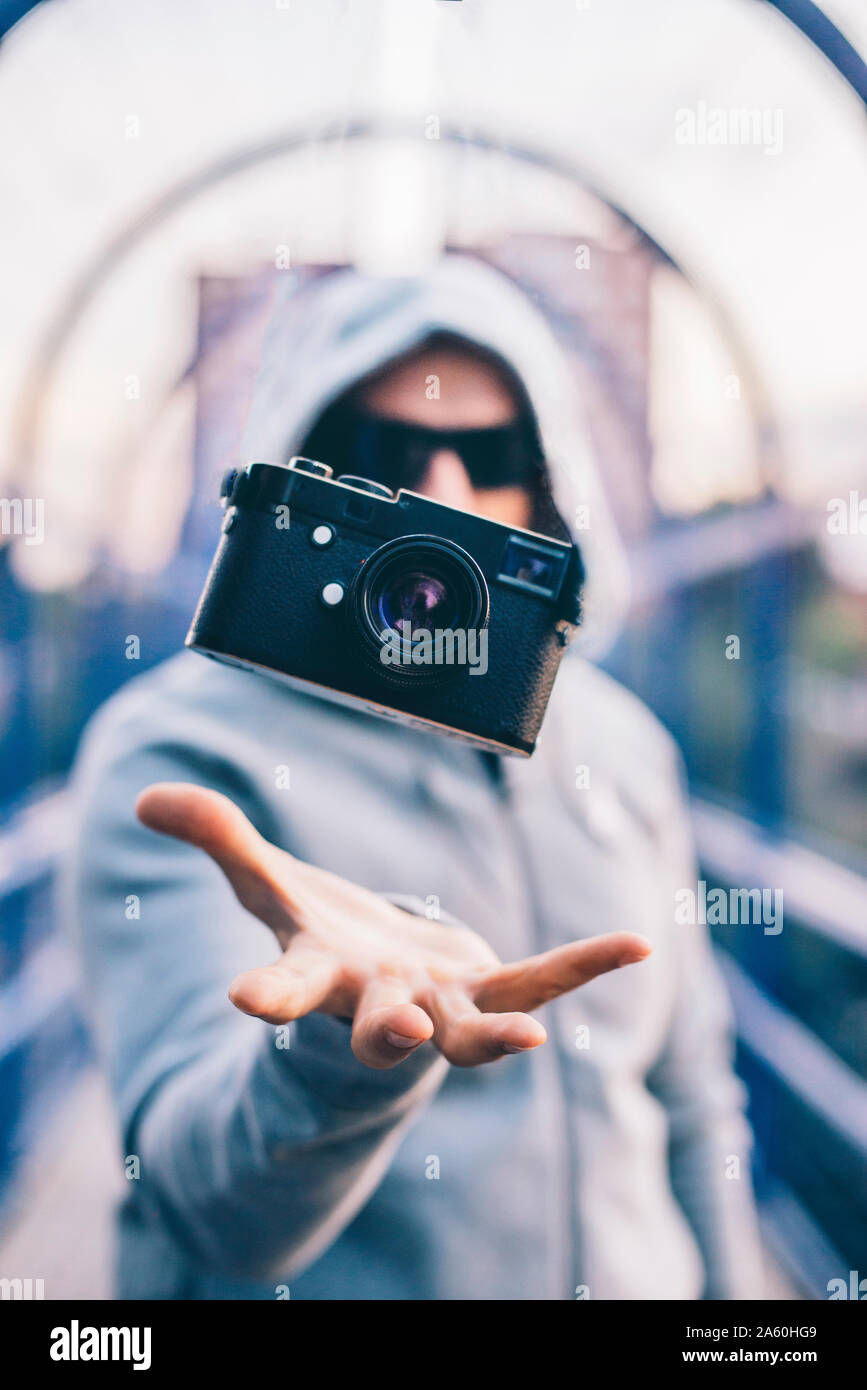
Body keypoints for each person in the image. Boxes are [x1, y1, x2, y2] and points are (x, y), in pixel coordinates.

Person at [64, 256, 765, 1300]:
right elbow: (201, 1199)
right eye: (381, 452)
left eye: (491, 453)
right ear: (297, 472)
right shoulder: (179, 754)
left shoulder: (619, 743)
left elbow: (692, 1093)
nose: (442, 495)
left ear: (551, 484)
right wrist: (333, 1059)